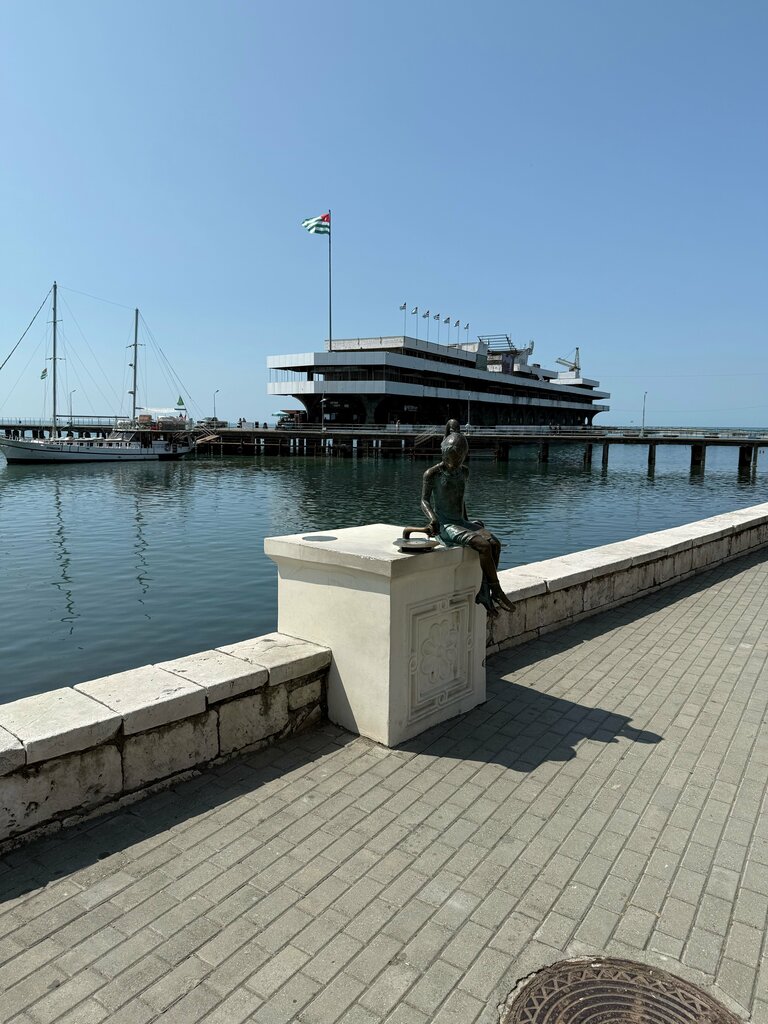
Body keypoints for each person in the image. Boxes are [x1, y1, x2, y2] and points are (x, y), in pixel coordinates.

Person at [421, 420, 514, 616]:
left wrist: (470, 524)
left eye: (459, 460)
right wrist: (433, 519)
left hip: (460, 522)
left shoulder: (464, 472)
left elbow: (460, 500)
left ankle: (484, 591)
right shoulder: (432, 474)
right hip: (445, 525)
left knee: (495, 543)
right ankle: (496, 590)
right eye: (451, 461)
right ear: (444, 455)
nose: (455, 465)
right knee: (483, 545)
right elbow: (424, 501)